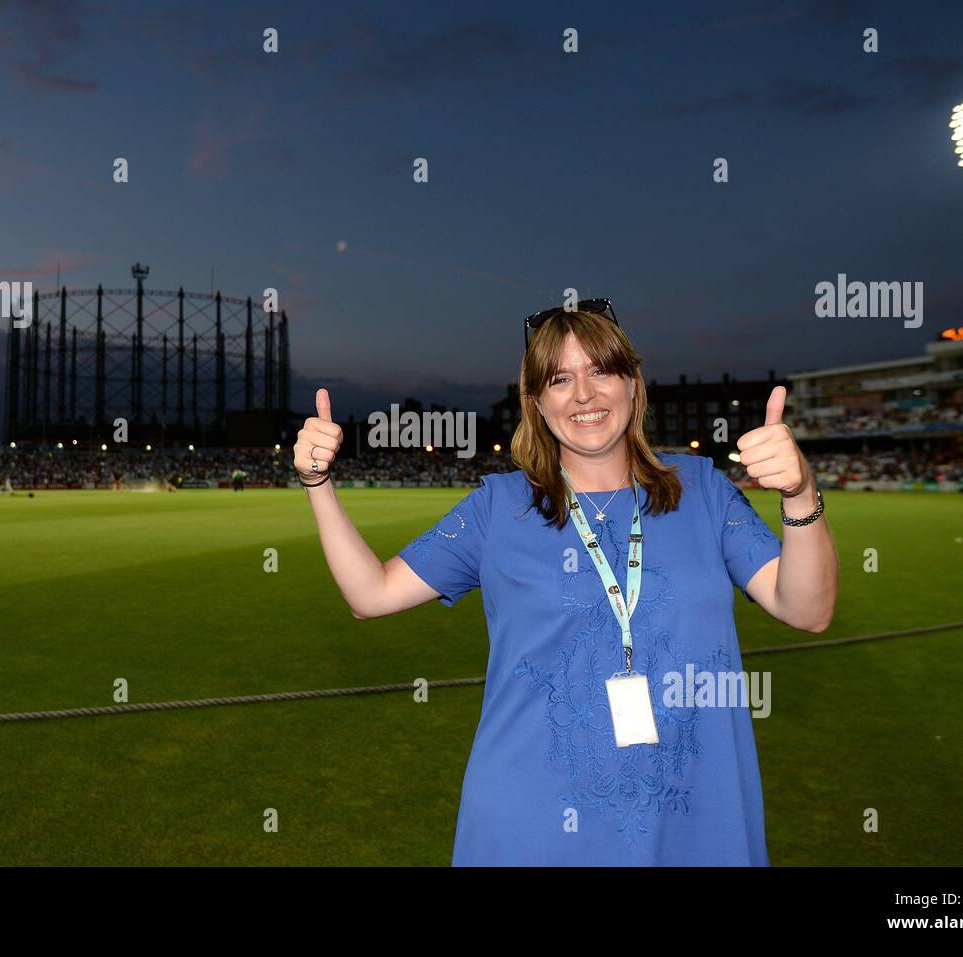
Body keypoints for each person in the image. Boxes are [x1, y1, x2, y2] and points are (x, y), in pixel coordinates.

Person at [294, 303, 838, 866]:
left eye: (600, 369)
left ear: (633, 383)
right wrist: (318, 483)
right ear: (536, 402)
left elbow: (809, 608)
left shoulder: (703, 490)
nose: (583, 394)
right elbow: (370, 595)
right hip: (532, 826)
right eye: (559, 379)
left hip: (695, 818)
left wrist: (799, 494)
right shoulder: (497, 509)